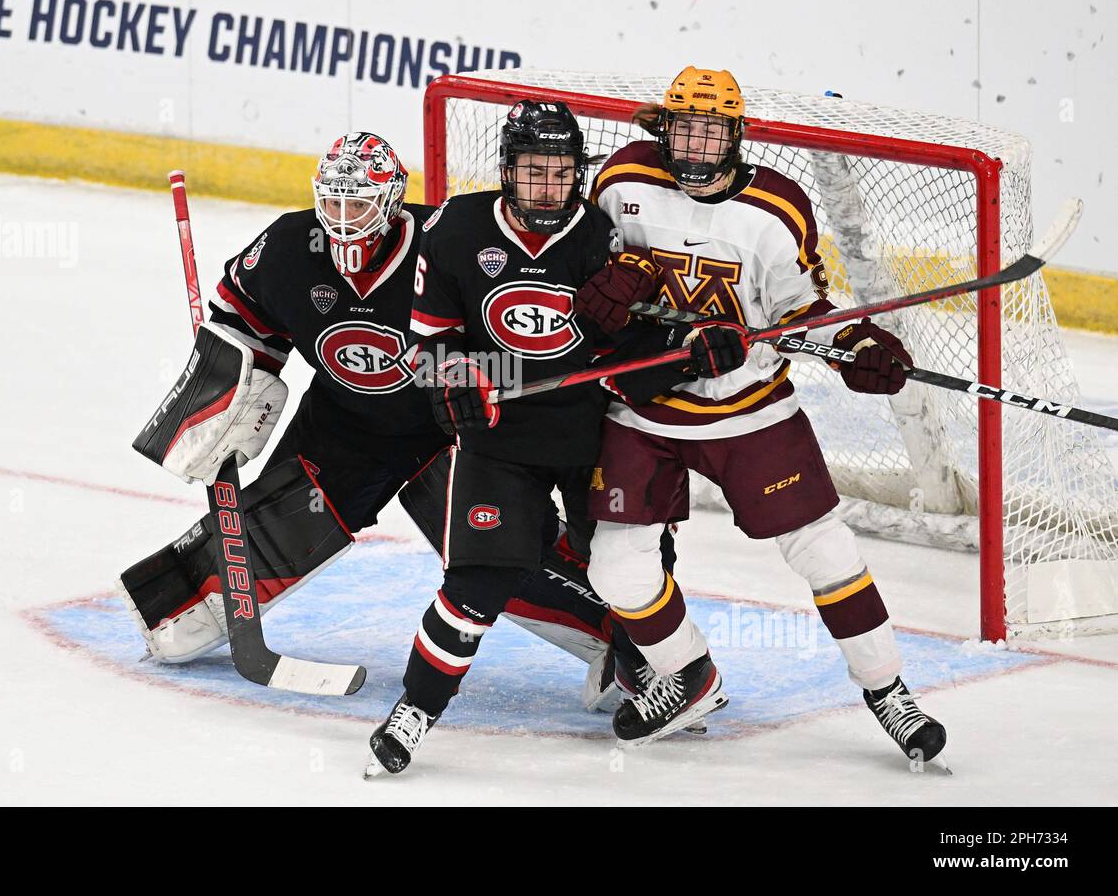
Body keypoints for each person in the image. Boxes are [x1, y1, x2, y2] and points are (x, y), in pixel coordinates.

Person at [122, 131, 632, 713]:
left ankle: (620, 640)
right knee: (235, 563)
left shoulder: (444, 241)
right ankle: (175, 603)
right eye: (332, 201)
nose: (342, 218)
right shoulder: (291, 247)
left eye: (358, 202)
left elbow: (507, 331)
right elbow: (241, 317)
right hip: (345, 427)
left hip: (448, 431)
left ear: (390, 201)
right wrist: (226, 400)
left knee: (499, 551)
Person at [575, 66, 948, 762]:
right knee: (616, 569)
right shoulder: (621, 181)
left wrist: (858, 346)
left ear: (736, 135)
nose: (695, 145)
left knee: (826, 551)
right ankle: (689, 674)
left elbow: (804, 315)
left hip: (750, 411)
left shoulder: (776, 209)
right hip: (645, 407)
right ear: (663, 127)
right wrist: (615, 300)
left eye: (711, 130)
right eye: (683, 127)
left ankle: (887, 690)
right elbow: (595, 279)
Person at [365, 101, 716, 777]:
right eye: (534, 173)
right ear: (507, 172)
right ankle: (415, 709)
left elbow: (640, 350)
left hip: (596, 438)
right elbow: (427, 347)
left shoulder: (602, 238)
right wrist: (458, 373)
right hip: (501, 441)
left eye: (562, 173)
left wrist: (691, 344)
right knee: (477, 578)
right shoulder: (456, 231)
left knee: (633, 563)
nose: (549, 188)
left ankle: (648, 674)